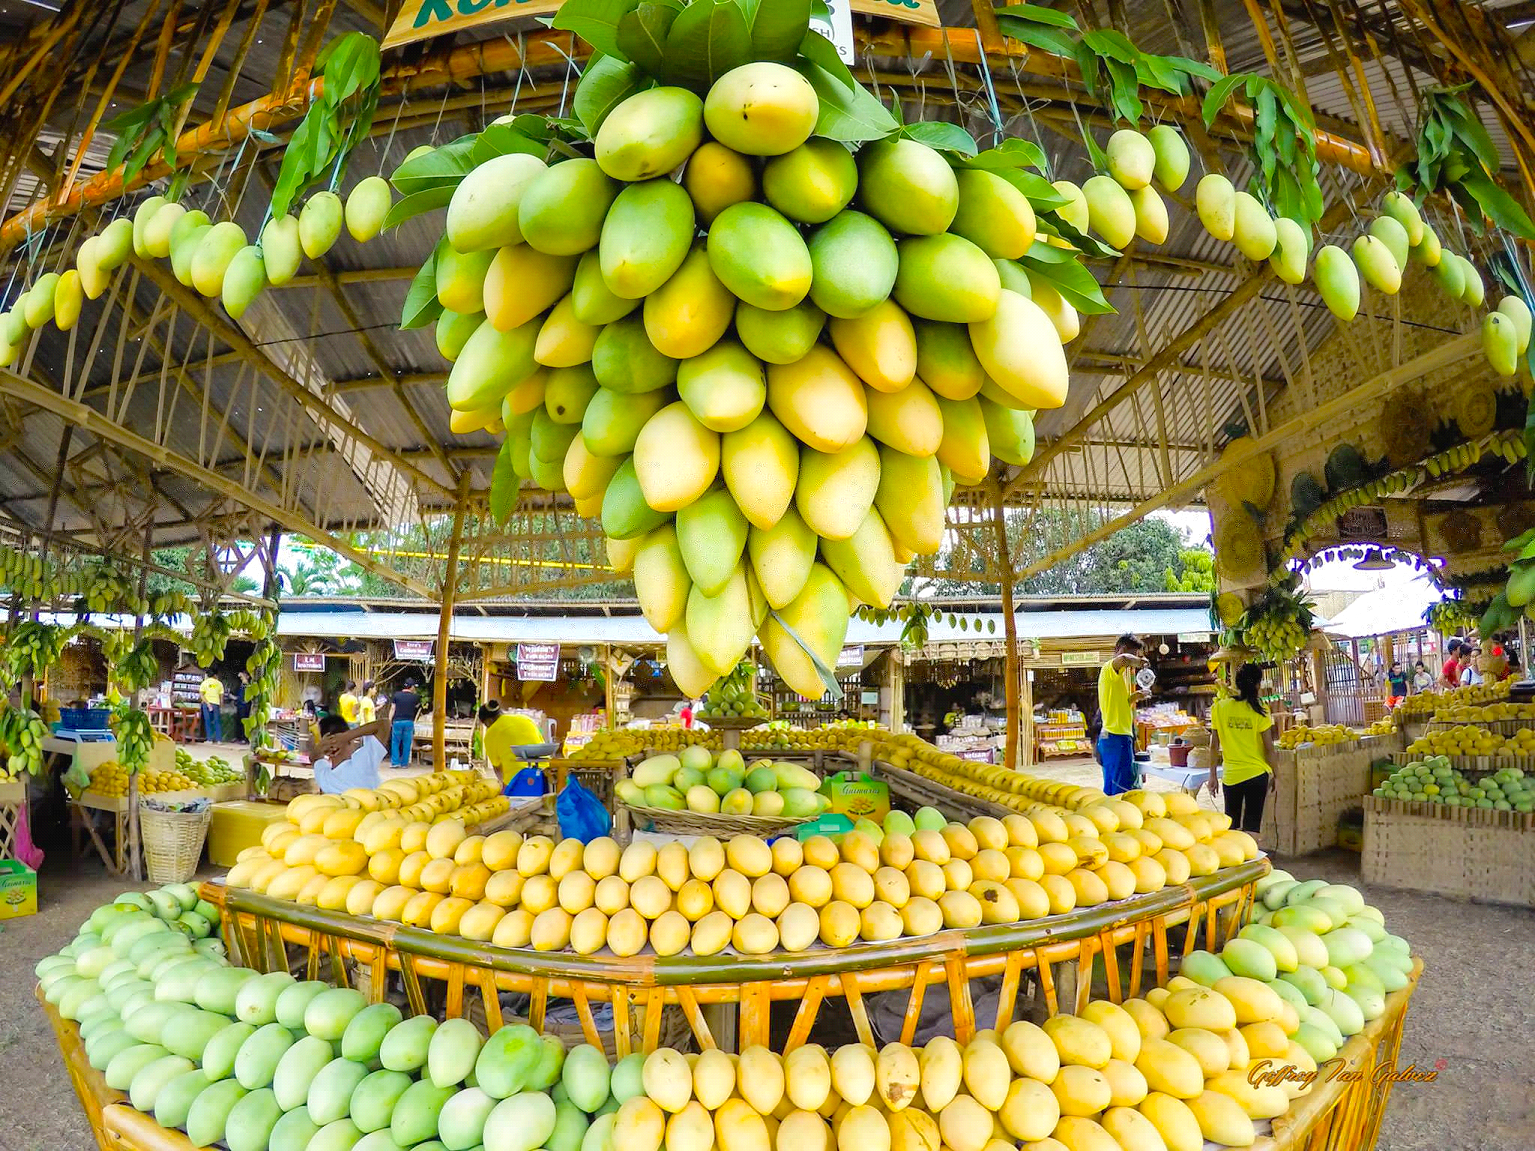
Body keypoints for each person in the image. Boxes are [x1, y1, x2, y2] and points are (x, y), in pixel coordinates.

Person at [1207, 663, 1275, 839]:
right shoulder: (1261, 710)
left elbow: (1214, 746)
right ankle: (1253, 864)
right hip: (1257, 774)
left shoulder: (1219, 708)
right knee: (1252, 826)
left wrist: (1212, 775)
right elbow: (1269, 749)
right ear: (1258, 685)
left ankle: (1235, 863)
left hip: (1231, 777)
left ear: (1236, 684)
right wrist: (1278, 774)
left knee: (1231, 826)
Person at [1097, 634, 1147, 796]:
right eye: (1134, 654)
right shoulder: (1109, 668)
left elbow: (1118, 704)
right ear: (1123, 649)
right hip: (1116, 736)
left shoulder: (1117, 677)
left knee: (1114, 784)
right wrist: (1141, 662)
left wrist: (1135, 697)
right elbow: (1125, 658)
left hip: (1116, 736)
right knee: (1121, 790)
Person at [309, 704, 392, 794]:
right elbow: (384, 724)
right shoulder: (362, 763)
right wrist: (346, 736)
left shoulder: (324, 776)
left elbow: (313, 758)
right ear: (349, 741)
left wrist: (320, 747)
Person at [479, 701, 558, 787]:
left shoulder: (491, 733)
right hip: (544, 774)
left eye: (485, 724)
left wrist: (503, 787)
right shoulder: (525, 719)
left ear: (489, 721)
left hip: (516, 780)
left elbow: (497, 767)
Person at [389, 678, 421, 767]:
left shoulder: (397, 695)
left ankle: (395, 762)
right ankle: (404, 763)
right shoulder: (415, 697)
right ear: (411, 687)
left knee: (395, 742)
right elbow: (417, 706)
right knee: (407, 743)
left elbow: (392, 708)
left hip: (397, 721)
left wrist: (389, 720)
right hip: (409, 722)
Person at [199, 672, 224, 742]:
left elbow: (202, 695)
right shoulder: (219, 683)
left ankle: (209, 739)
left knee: (208, 721)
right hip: (216, 703)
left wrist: (207, 703)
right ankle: (219, 740)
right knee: (217, 721)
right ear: (215, 675)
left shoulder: (204, 683)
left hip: (207, 704)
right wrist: (221, 705)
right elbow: (221, 696)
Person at [233, 671, 251, 742]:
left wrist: (243, 675)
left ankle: (244, 738)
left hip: (245, 705)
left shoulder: (247, 684)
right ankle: (239, 737)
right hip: (239, 705)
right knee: (238, 722)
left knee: (244, 723)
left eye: (244, 676)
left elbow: (245, 682)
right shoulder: (241, 685)